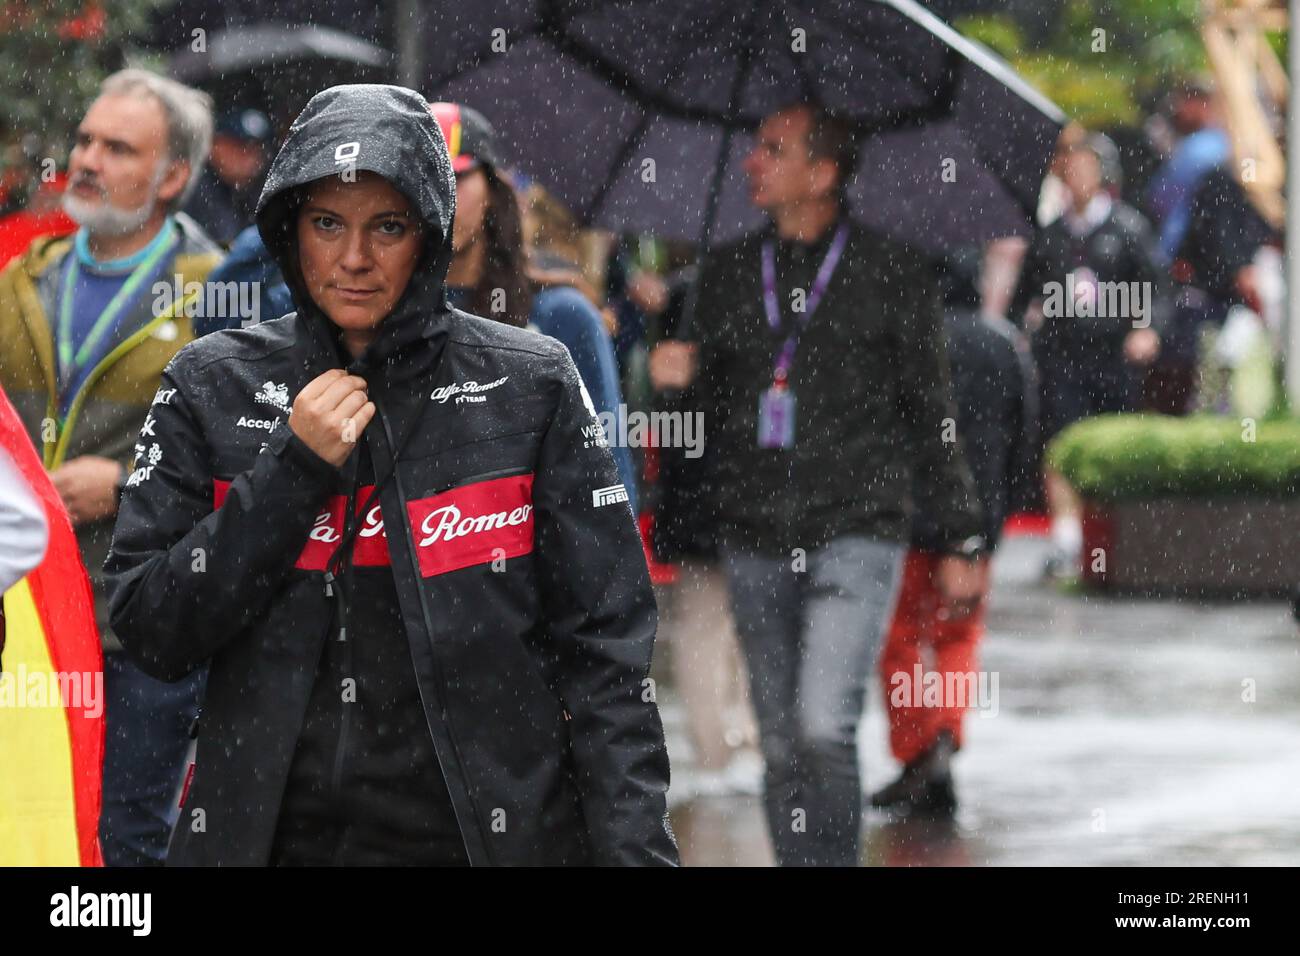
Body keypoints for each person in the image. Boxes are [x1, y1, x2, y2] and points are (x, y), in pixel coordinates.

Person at [104, 84, 678, 867]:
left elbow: (608, 658)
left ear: (433, 235)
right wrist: (292, 471)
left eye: (389, 226)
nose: (353, 258)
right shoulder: (212, 384)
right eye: (327, 223)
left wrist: (638, 855)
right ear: (288, 228)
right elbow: (151, 629)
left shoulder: (532, 382)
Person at [660, 102, 986, 866]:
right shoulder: (730, 273)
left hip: (857, 528)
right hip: (753, 530)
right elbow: (701, 425)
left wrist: (962, 532)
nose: (752, 162)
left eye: (772, 150)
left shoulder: (891, 271)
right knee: (778, 740)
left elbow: (931, 412)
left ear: (824, 172)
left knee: (821, 726)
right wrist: (675, 382)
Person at [0, 68, 221, 866]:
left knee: (122, 841)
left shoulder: (220, 292)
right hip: (25, 617)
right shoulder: (20, 280)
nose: (86, 159)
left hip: (140, 623)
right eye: (86, 139)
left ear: (172, 177)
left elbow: (249, 458)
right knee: (31, 827)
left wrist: (124, 484)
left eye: (118, 148)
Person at [872, 247, 1038, 818]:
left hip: (908, 521)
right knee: (957, 637)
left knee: (898, 640)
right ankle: (944, 732)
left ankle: (916, 745)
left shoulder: (906, 342)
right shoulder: (1004, 344)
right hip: (975, 528)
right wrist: (994, 523)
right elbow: (1025, 437)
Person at [431, 101, 639, 511]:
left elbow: (608, 472)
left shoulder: (560, 315)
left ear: (492, 189)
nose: (441, 195)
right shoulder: (379, 317)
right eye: (425, 178)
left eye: (456, 176)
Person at [1010, 135, 1169, 579]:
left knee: (1115, 439)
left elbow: (1156, 288)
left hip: (1112, 357)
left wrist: (1147, 327)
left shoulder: (1128, 229)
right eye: (1069, 168)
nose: (1076, 177)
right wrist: (1022, 329)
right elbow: (1026, 294)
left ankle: (1115, 538)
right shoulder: (1051, 236)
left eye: (1084, 167)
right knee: (1061, 441)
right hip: (1063, 357)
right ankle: (1066, 538)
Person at [183, 107, 273, 246]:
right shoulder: (190, 186)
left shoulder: (264, 189)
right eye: (239, 146)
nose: (249, 154)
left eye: (257, 147)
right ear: (215, 145)